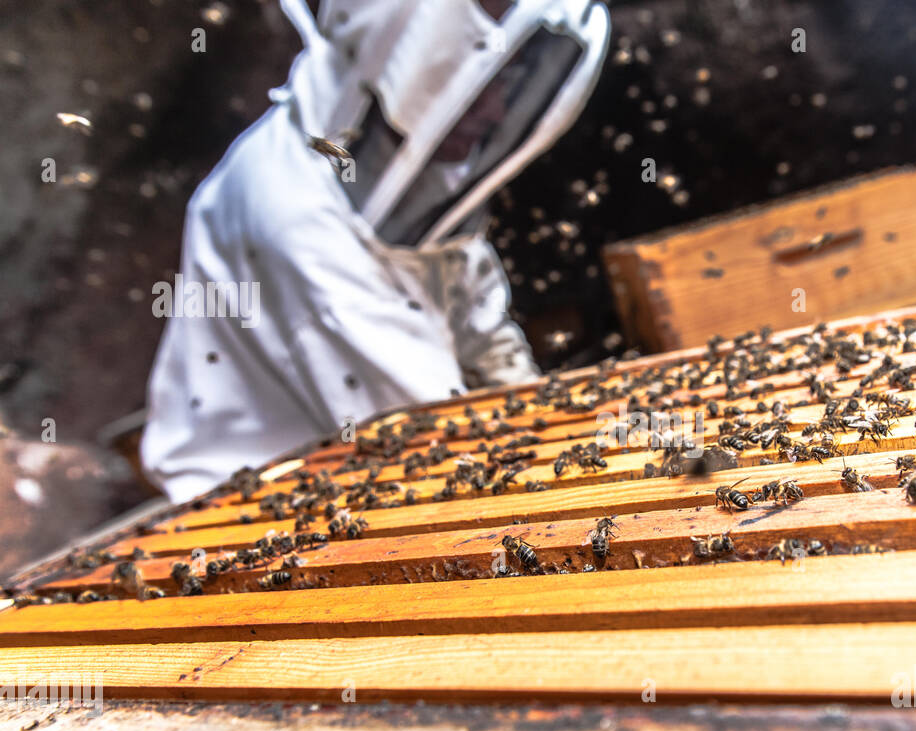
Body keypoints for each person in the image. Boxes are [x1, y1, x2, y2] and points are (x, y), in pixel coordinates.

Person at [141, 0, 610, 501]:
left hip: (368, 470)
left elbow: (473, 312)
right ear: (410, 52)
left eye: (507, 74)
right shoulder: (304, 227)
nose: (496, 109)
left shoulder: (386, 169)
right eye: (484, 76)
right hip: (262, 510)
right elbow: (436, 451)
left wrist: (543, 411)